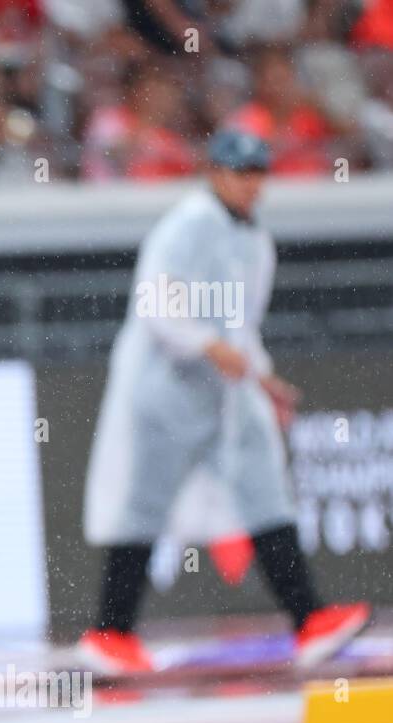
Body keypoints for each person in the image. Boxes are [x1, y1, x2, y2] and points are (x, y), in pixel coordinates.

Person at [78, 128, 371, 675]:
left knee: (265, 493)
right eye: (241, 172)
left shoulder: (255, 240)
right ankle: (109, 633)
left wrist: (264, 379)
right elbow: (156, 299)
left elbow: (242, 326)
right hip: (164, 391)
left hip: (222, 392)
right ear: (215, 173)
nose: (250, 184)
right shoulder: (189, 224)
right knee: (143, 506)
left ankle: (311, 618)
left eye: (258, 173)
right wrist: (207, 345)